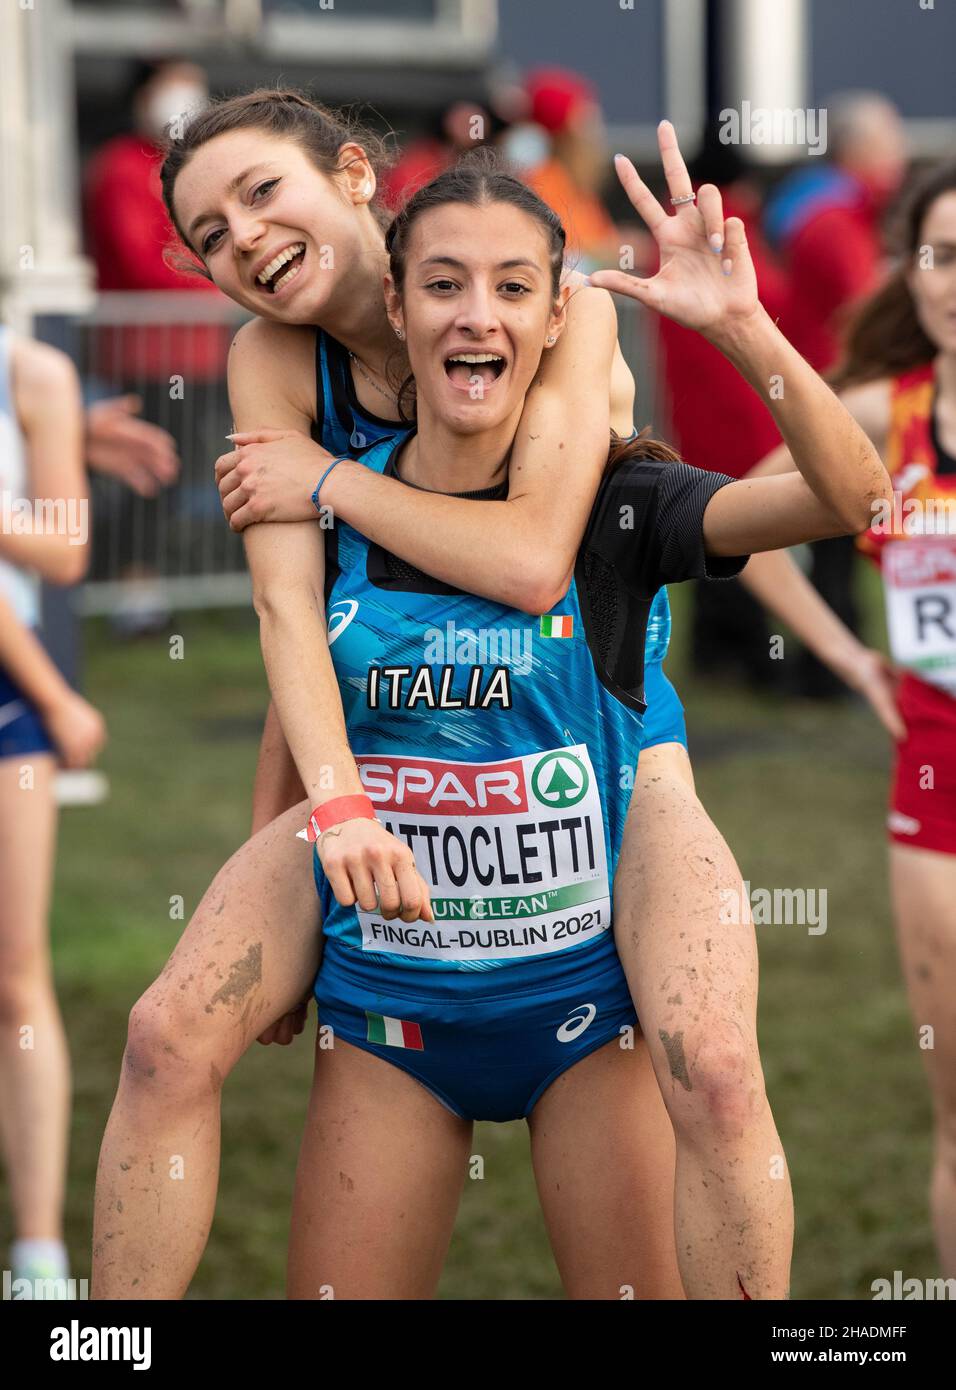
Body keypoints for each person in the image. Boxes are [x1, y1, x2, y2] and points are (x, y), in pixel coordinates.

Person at [90, 94, 885, 1299]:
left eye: (263, 193)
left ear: (353, 173)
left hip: (600, 757)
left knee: (713, 1063)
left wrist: (327, 483)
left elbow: (528, 561)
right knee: (163, 1039)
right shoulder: (276, 366)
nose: (242, 239)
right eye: (208, 233)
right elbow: (293, 624)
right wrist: (308, 824)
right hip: (388, 789)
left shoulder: (543, 347)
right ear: (402, 313)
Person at [741, 162, 956, 1277]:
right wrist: (847, 657)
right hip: (935, 778)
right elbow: (745, 525)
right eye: (939, 254)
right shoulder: (883, 416)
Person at [0, 327, 105, 1291]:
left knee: (16, 976)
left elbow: (66, 547)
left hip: (8, 702)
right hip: (30, 688)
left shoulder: (33, 371)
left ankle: (36, 1256)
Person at [764, 90, 908, 696]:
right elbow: (862, 305)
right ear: (865, 150)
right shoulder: (836, 221)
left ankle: (821, 666)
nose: (901, 154)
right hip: (830, 400)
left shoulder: (823, 211)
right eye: (892, 141)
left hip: (821, 394)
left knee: (832, 534)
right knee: (833, 532)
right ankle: (827, 669)